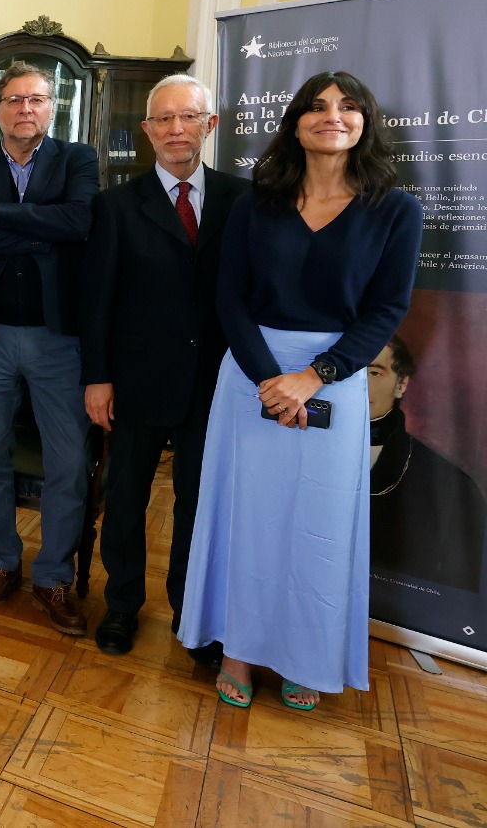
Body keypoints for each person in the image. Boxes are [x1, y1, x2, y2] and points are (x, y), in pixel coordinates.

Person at [180, 71, 422, 711]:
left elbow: (387, 309)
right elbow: (229, 298)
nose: (331, 116)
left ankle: (304, 656)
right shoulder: (255, 203)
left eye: (348, 106)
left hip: (335, 380)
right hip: (251, 375)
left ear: (365, 122)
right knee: (246, 520)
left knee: (319, 526)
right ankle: (236, 648)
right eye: (316, 106)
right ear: (296, 123)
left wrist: (316, 376)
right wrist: (270, 379)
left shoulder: (395, 209)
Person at [79, 74, 247, 662]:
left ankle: (190, 614)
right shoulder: (115, 205)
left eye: (189, 117)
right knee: (125, 502)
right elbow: (96, 301)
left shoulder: (241, 200)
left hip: (216, 383)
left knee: (199, 505)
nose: (177, 129)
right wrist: (97, 378)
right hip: (135, 381)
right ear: (147, 130)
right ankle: (121, 606)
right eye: (165, 119)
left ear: (210, 125)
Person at [0, 62, 99, 635]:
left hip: (58, 338)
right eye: (14, 100)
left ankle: (53, 575)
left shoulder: (77, 159)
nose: (25, 109)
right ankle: (3, 562)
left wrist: (4, 216)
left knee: (68, 463)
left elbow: (79, 223)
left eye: (36, 99)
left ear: (51, 107)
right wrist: (42, 233)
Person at [368, 336, 485, 592]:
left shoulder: (455, 488)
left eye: (374, 373)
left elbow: (459, 588)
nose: (358, 385)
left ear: (401, 384)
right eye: (352, 371)